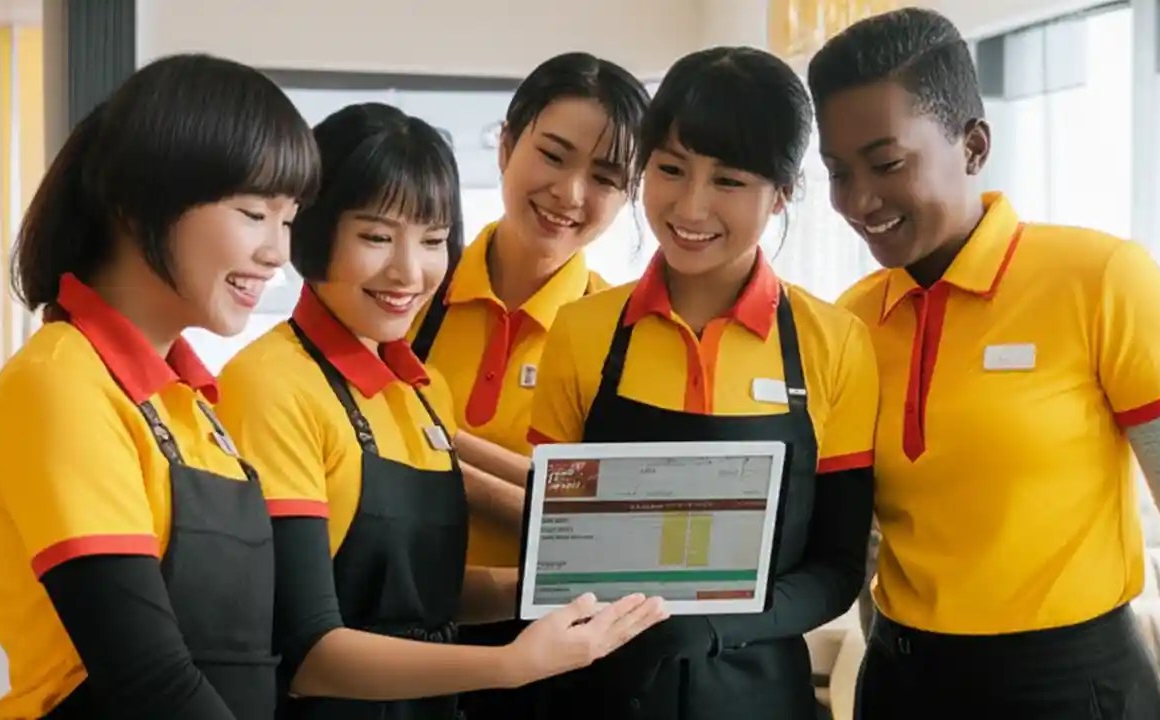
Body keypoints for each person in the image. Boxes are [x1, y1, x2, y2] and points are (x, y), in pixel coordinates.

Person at [0, 56, 665, 720]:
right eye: (253, 214)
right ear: (138, 204)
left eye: (285, 219)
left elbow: (272, 624)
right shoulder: (64, 385)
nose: (275, 251)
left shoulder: (193, 404)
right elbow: (155, 676)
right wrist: (511, 661)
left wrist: (557, 594)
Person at [809, 8, 1160, 719]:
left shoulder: (1102, 278)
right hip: (904, 683)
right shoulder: (851, 317)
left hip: (1071, 687)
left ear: (973, 145)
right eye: (839, 172)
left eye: (887, 163)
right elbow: (871, 540)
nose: (859, 201)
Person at [216, 102, 665, 720]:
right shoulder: (270, 384)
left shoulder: (422, 391)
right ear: (313, 231)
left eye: (431, 241)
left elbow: (426, 596)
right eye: (376, 237)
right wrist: (510, 665)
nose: (409, 271)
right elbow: (309, 648)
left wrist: (564, 595)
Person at [527, 46, 879, 719]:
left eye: (729, 181)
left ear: (782, 193)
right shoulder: (582, 331)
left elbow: (837, 570)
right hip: (592, 695)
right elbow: (553, 550)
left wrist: (715, 626)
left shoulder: (835, 345)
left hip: (760, 695)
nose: (690, 206)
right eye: (670, 169)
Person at [405, 51, 650, 717]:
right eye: (553, 154)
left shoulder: (622, 336)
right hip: (392, 639)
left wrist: (427, 449)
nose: (570, 193)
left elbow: (616, 528)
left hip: (553, 656)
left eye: (605, 176)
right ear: (508, 143)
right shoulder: (407, 293)